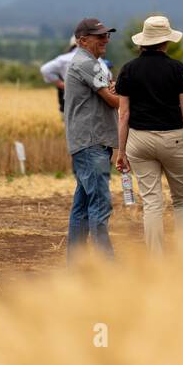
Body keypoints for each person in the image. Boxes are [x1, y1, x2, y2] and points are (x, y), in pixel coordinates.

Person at [114, 16, 183, 255]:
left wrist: (121, 152)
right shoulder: (177, 69)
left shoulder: (128, 69)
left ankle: (156, 260)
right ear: (166, 41)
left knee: (151, 203)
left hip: (139, 141)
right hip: (174, 140)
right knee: (182, 201)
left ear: (143, 41)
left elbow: (123, 115)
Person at [62, 18, 121, 262]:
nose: (105, 39)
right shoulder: (89, 63)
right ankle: (106, 265)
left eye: (107, 35)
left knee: (82, 205)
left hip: (84, 142)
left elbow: (105, 95)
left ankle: (75, 264)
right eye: (100, 36)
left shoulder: (83, 62)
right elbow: (114, 101)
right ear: (82, 40)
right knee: (100, 203)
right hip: (93, 142)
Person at [40, 36, 78, 113]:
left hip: (68, 98)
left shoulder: (64, 59)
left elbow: (45, 69)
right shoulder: (96, 60)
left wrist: (60, 84)